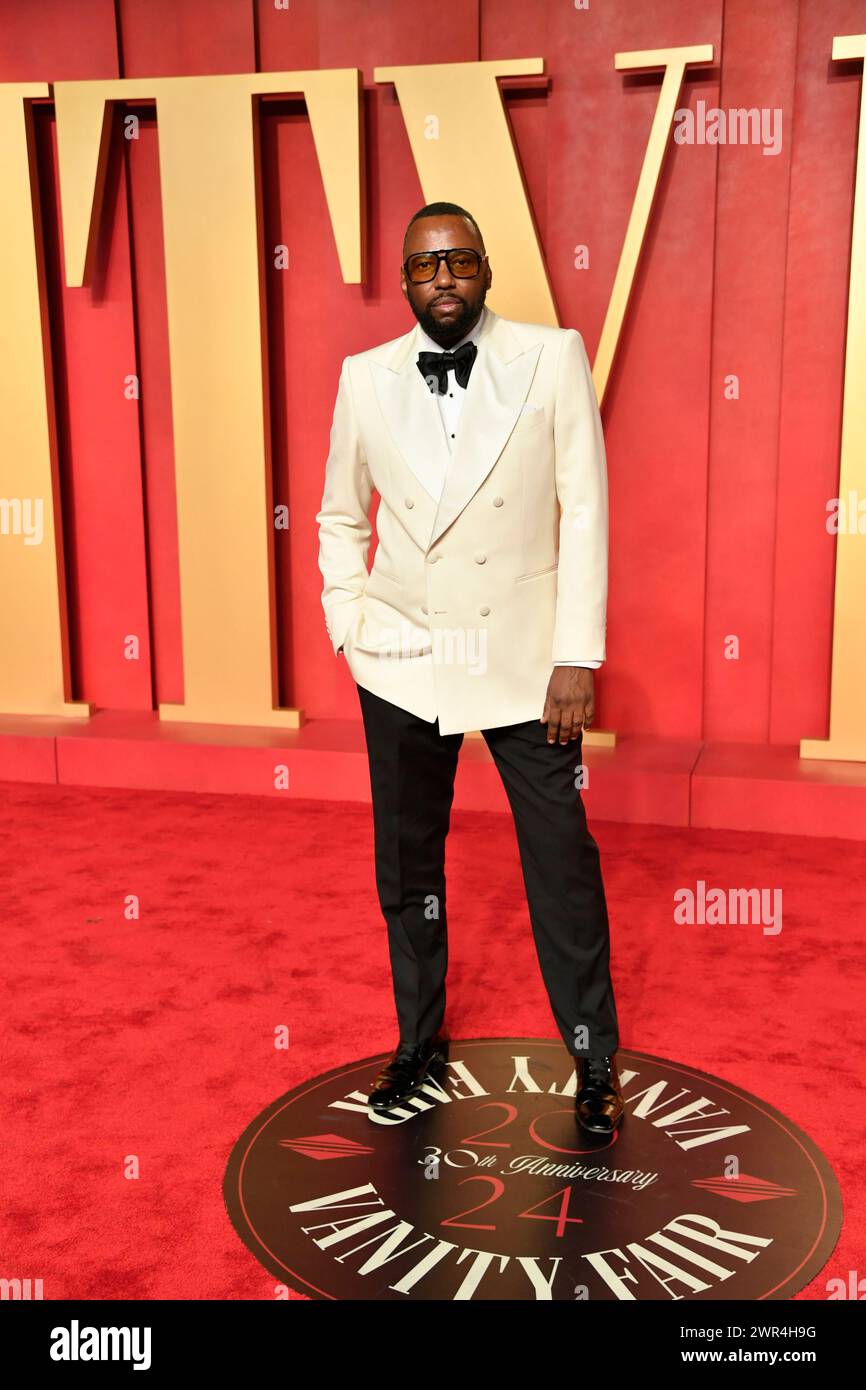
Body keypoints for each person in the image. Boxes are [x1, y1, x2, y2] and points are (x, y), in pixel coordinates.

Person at [316, 201, 623, 1135]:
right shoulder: (364, 378)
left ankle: (594, 1059)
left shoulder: (551, 355)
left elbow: (586, 512)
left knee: (560, 861)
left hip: (525, 661)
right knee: (408, 868)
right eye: (422, 265)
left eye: (456, 260)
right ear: (404, 280)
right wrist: (349, 624)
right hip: (404, 658)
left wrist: (577, 656)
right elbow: (338, 516)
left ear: (485, 268)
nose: (440, 277)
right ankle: (418, 1045)